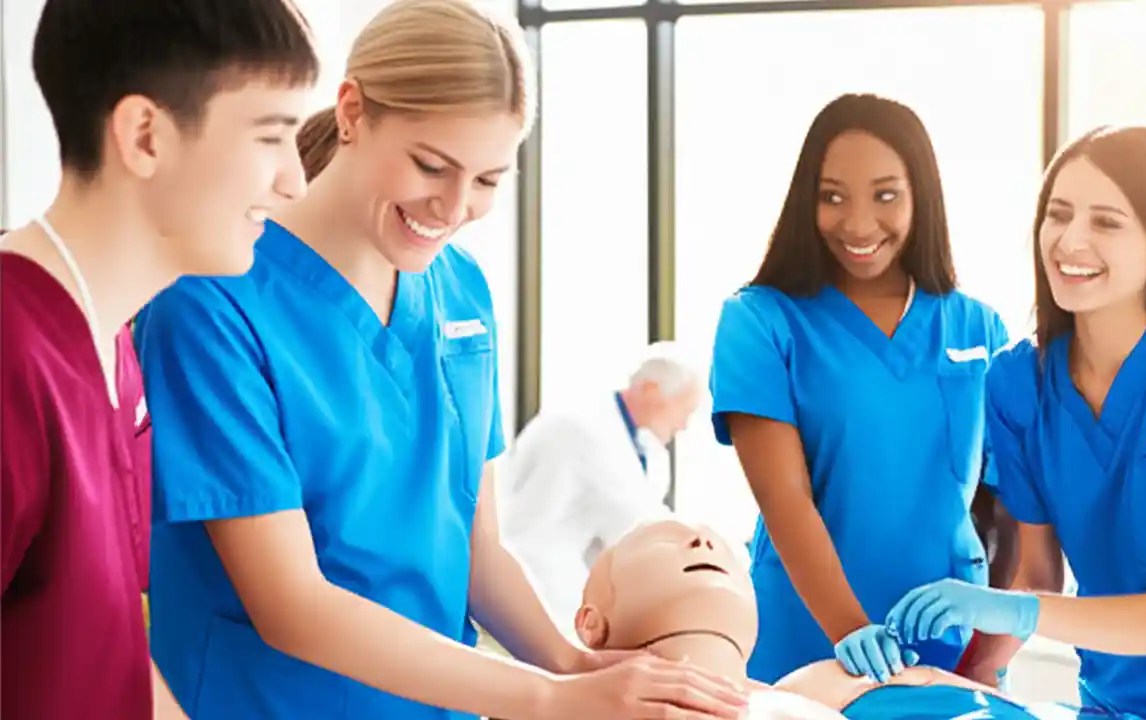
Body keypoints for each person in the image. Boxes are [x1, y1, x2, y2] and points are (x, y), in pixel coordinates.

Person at [132, 1, 748, 718]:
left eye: (488, 180)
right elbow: (290, 605)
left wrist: (577, 666)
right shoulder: (210, 304)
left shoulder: (461, 290)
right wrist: (549, 698)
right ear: (353, 112)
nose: (454, 208)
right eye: (431, 166)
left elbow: (479, 553)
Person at [886, 126, 1146, 719]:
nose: (1070, 240)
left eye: (1107, 222)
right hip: (1109, 702)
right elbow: (1037, 576)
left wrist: (1013, 610)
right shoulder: (1017, 381)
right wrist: (960, 673)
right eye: (1058, 214)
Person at [0, 1, 317, 718]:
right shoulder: (14, 355)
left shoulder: (110, 341)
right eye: (272, 136)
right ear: (145, 136)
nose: (295, 181)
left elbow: (99, 647)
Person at [708, 93, 1010, 685]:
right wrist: (850, 632)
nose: (858, 223)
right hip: (808, 645)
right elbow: (785, 499)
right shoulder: (760, 322)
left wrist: (989, 651)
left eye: (885, 195)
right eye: (833, 196)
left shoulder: (978, 329)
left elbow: (1005, 509)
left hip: (950, 651)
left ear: (921, 196)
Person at [577, 518, 1119, 719]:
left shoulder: (814, 687)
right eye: (664, 537)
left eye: (717, 541)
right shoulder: (568, 706)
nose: (702, 540)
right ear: (589, 623)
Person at [498, 340, 701, 631]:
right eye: (683, 410)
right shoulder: (580, 428)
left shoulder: (641, 443)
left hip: (567, 586)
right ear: (651, 390)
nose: (684, 425)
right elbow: (632, 523)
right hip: (535, 584)